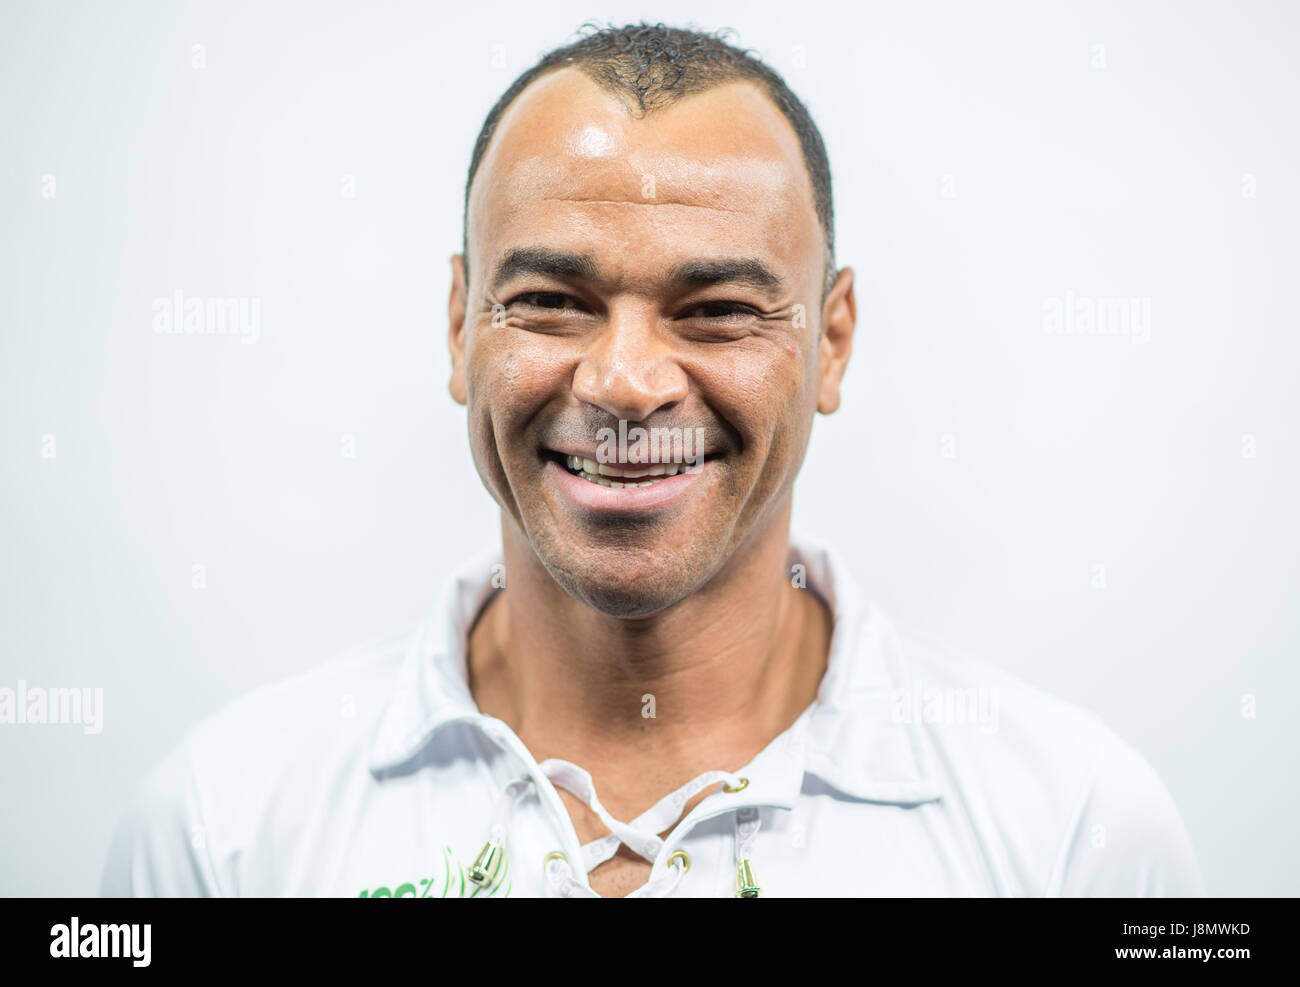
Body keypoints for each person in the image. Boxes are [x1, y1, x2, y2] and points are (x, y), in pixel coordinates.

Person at [102, 22, 1203, 898]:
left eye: (717, 309)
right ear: (457, 330)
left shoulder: (1074, 832)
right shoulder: (222, 827)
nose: (626, 383)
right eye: (549, 303)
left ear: (831, 340)